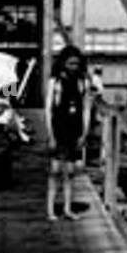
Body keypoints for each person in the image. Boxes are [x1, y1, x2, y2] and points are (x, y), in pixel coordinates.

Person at [45, 46, 92, 221]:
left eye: (77, 64)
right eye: (71, 63)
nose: (74, 67)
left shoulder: (83, 82)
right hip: (59, 128)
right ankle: (50, 209)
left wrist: (85, 133)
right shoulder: (55, 82)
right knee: (55, 170)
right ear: (64, 63)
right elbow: (49, 109)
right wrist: (50, 134)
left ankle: (67, 208)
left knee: (70, 171)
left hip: (75, 129)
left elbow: (86, 108)